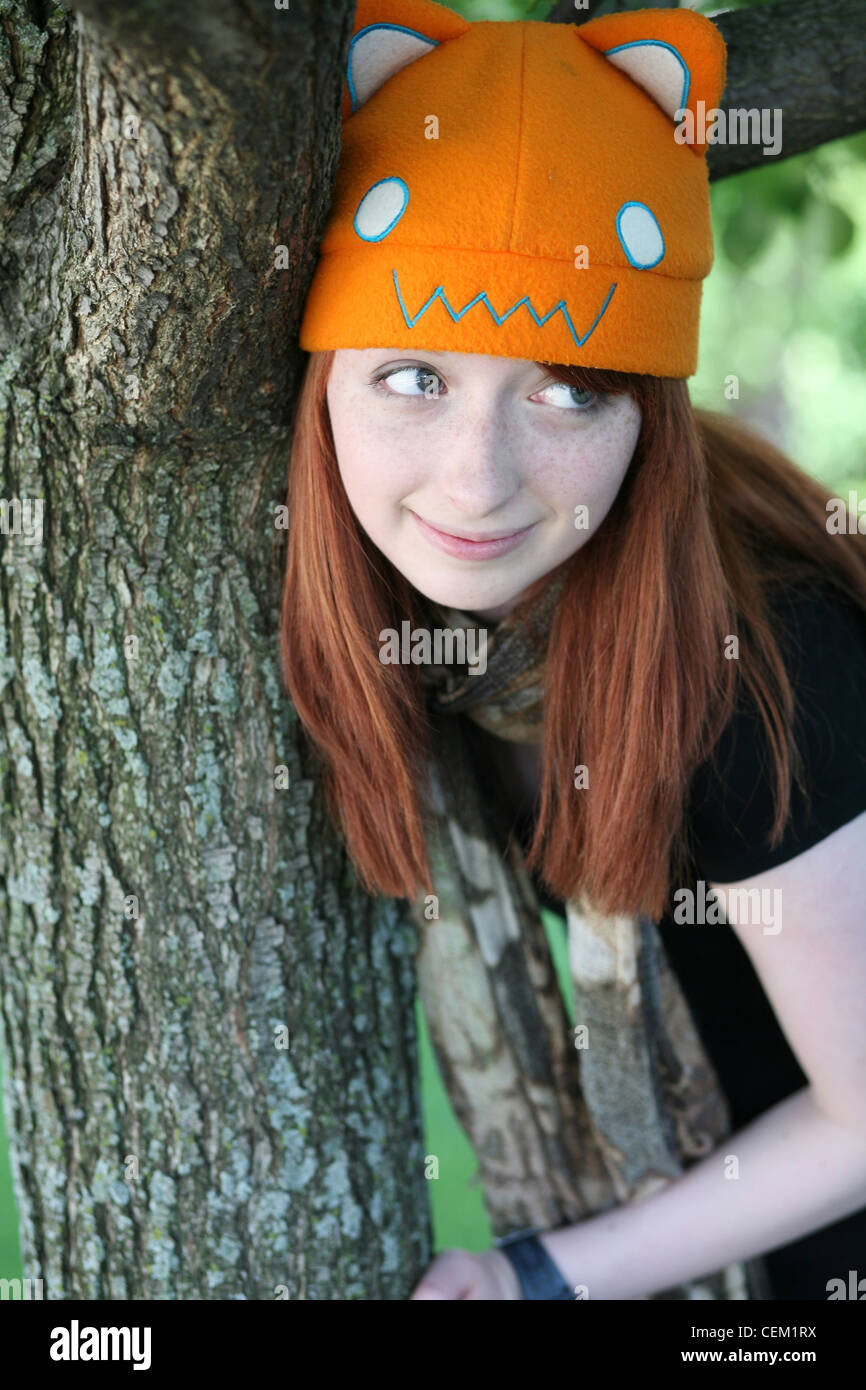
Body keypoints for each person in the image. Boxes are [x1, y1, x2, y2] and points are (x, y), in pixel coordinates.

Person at [280, 0, 866, 1299]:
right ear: (319, 378)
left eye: (568, 389)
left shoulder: (763, 661)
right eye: (414, 377)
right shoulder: (447, 643)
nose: (476, 482)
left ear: (646, 423)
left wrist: (538, 1279)